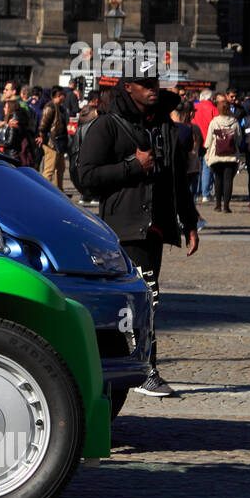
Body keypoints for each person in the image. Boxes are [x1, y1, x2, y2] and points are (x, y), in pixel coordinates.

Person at [78, 74, 199, 399]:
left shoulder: (165, 129)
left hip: (156, 227)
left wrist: (189, 222)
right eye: (146, 85)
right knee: (146, 299)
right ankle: (146, 369)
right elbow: (86, 178)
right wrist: (132, 166)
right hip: (124, 226)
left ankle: (124, 366)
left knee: (143, 302)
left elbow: (177, 179)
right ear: (128, 87)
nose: (153, 91)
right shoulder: (107, 126)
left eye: (156, 85)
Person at [204, 100, 242, 213]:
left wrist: (206, 150)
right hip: (230, 156)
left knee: (218, 179)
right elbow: (239, 139)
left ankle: (217, 205)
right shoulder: (234, 122)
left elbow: (209, 140)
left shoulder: (214, 122)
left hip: (217, 156)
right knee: (228, 181)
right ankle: (226, 205)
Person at [67, 89, 101, 206]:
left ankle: (84, 195)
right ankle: (93, 196)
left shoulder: (83, 110)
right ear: (96, 100)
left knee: (84, 170)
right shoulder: (95, 113)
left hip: (81, 145)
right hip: (92, 146)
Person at [38, 87, 70, 191]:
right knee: (49, 170)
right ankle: (43, 192)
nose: (64, 97)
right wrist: (42, 137)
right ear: (58, 95)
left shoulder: (61, 107)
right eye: (62, 94)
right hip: (51, 143)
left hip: (59, 143)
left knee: (60, 168)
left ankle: (58, 191)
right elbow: (43, 125)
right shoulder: (50, 107)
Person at [192, 89, 219, 202]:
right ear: (210, 98)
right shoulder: (213, 109)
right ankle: (205, 193)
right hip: (209, 142)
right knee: (207, 168)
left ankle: (197, 192)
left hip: (195, 141)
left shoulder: (194, 107)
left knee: (196, 167)